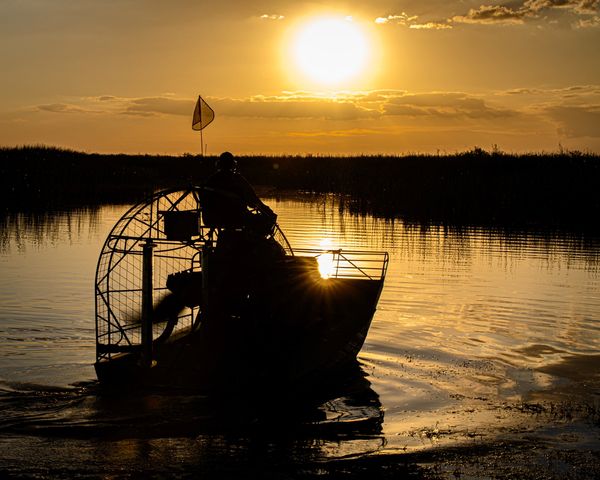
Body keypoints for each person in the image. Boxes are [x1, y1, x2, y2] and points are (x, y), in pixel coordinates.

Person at [201, 151, 276, 236]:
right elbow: (252, 201)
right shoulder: (237, 180)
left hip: (211, 219)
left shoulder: (211, 180)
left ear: (219, 165)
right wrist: (266, 210)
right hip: (237, 218)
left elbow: (204, 201)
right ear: (233, 165)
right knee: (264, 220)